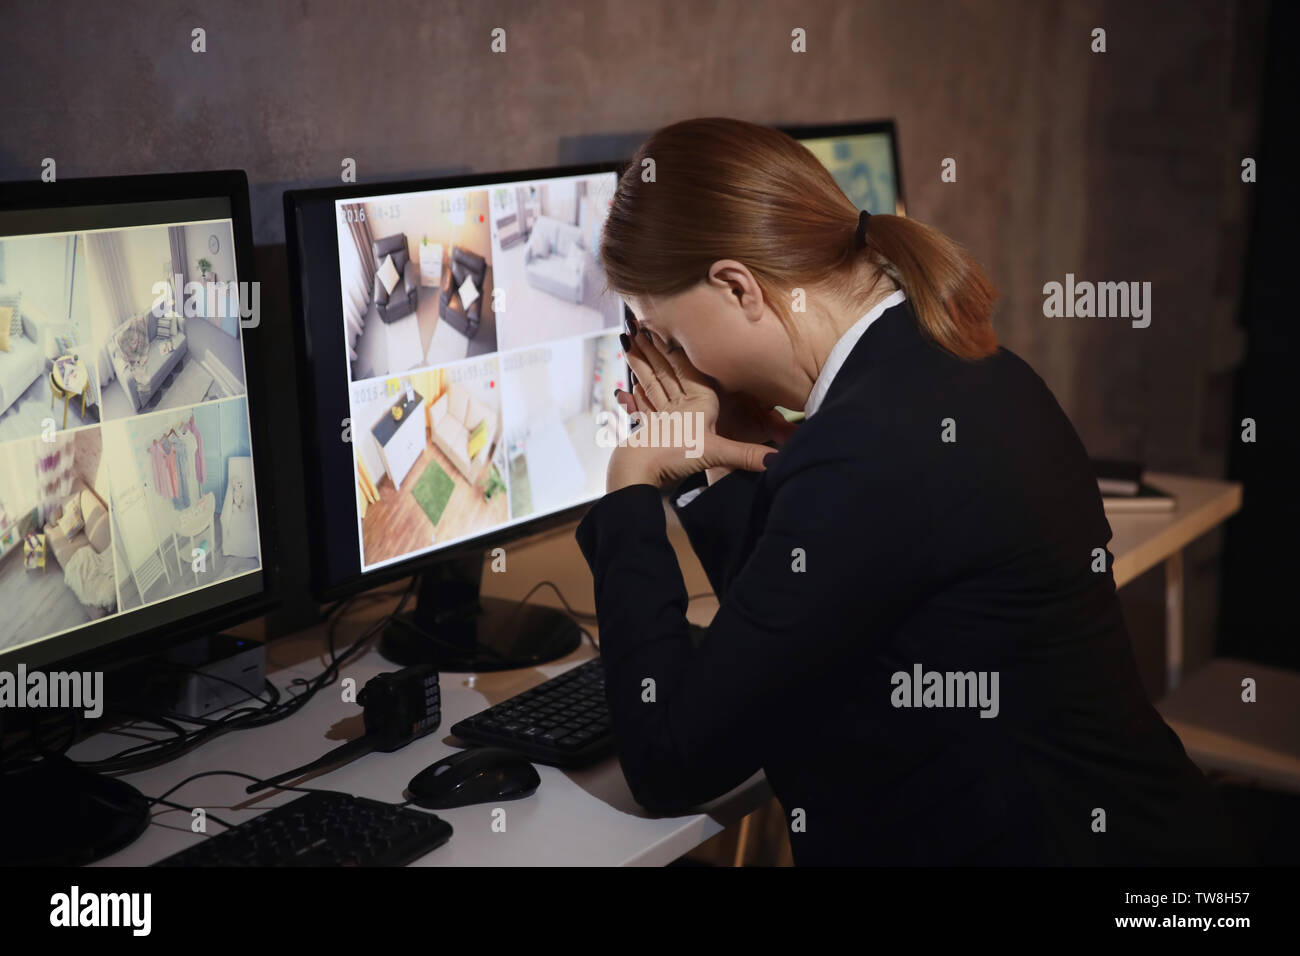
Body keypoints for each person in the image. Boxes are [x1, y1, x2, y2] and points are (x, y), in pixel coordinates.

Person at [573, 117, 1249, 866]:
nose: (677, 364)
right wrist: (713, 467)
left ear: (739, 287)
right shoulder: (949, 365)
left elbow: (672, 759)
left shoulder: (862, 452)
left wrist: (630, 487)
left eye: (670, 336)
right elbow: (784, 630)